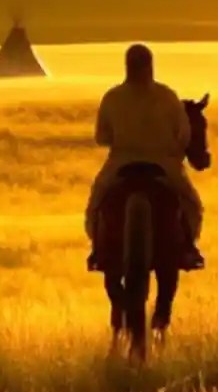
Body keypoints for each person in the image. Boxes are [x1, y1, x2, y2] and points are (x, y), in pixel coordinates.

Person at [86, 44, 204, 271]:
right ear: (151, 66)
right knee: (191, 204)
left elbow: (102, 137)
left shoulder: (113, 97)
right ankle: (188, 249)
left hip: (121, 164)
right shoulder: (167, 96)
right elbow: (183, 134)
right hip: (163, 165)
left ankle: (98, 250)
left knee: (96, 202)